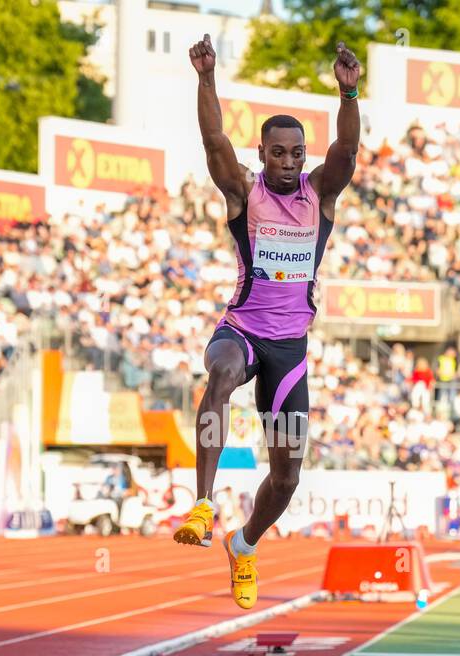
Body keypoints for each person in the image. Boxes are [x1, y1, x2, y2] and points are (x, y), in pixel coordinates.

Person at [172, 34, 360, 610]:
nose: (288, 162)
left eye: (297, 153)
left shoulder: (319, 196)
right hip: (243, 332)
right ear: (262, 154)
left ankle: (244, 544)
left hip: (290, 352)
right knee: (221, 377)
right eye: (278, 152)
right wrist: (206, 80)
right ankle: (203, 505)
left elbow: (347, 155)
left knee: (286, 479)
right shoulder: (243, 194)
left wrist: (348, 95)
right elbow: (212, 139)